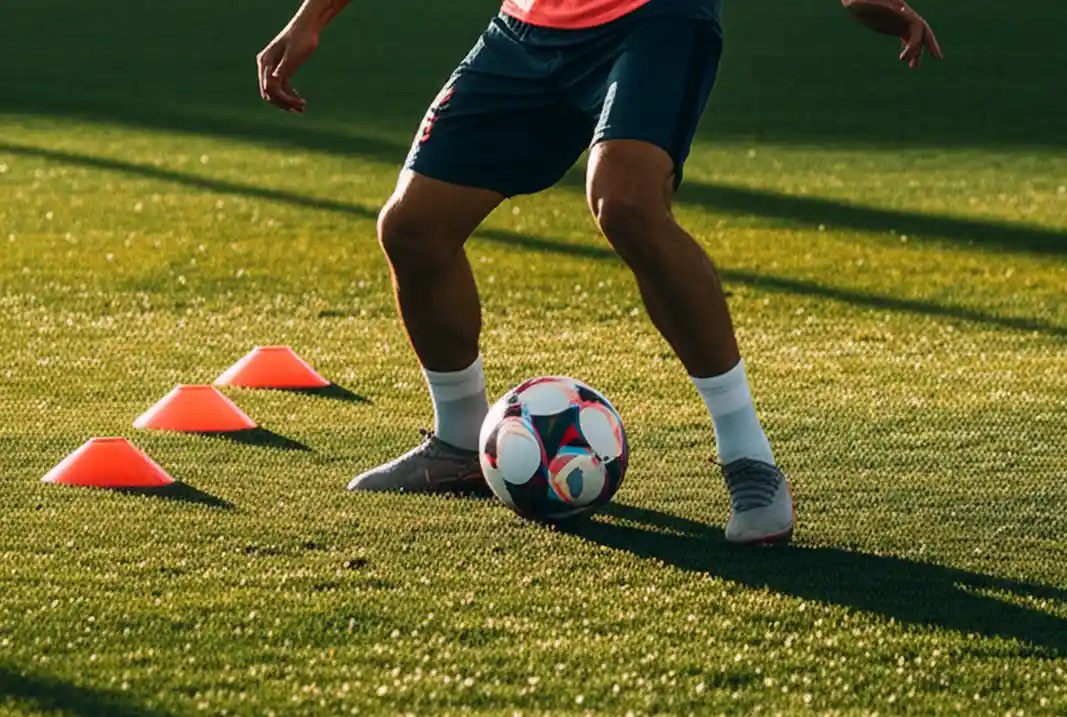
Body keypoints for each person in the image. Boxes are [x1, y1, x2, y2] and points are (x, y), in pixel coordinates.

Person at [256, 0, 942, 545]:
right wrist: (310, 18)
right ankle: (460, 441)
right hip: (527, 30)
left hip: (656, 20)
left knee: (626, 204)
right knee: (412, 228)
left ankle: (749, 460)